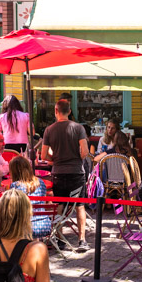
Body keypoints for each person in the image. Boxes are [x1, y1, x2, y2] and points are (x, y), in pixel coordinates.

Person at [41, 98, 90, 252]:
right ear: (69, 111)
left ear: (56, 111)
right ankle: (82, 240)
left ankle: (60, 239)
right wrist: (76, 158)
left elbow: (43, 156)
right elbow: (85, 151)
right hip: (76, 172)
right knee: (80, 206)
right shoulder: (79, 128)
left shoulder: (49, 130)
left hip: (58, 172)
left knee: (59, 206)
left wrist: (55, 159)